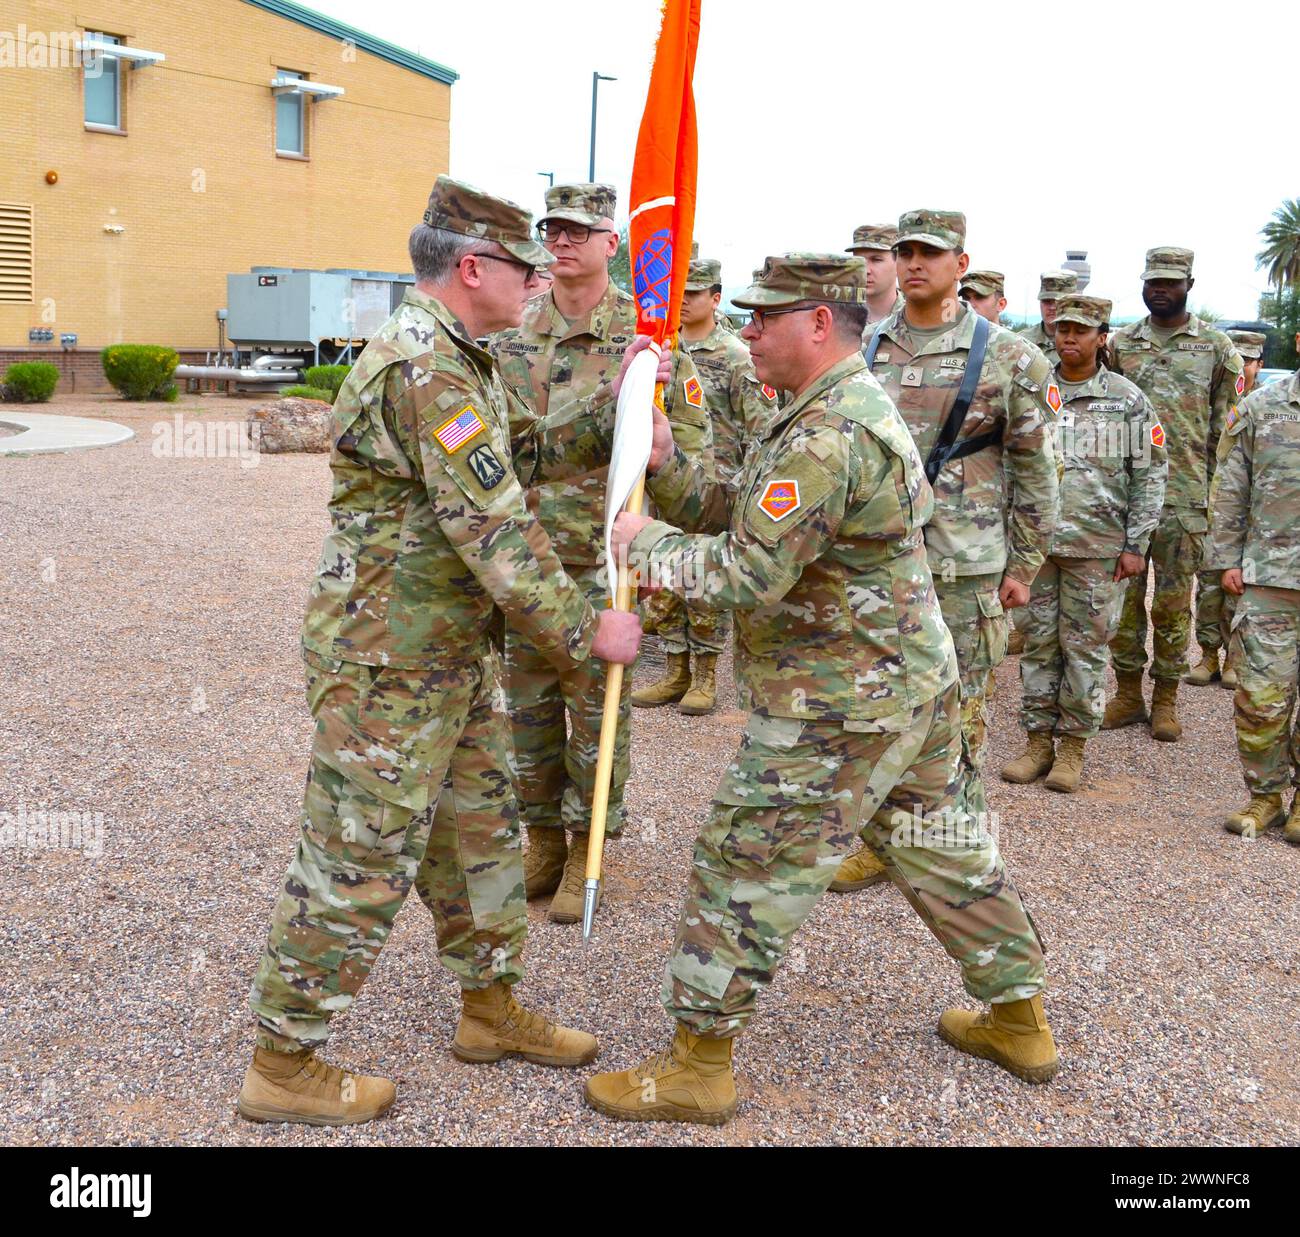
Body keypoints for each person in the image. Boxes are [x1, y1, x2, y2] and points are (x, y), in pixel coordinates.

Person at [583, 255, 1057, 1125]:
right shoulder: (823, 409)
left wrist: (640, 544)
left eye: (766, 316)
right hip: (900, 685)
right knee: (942, 845)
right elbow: (752, 508)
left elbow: (748, 572)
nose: (748, 329)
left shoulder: (828, 431)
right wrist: (668, 462)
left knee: (743, 863)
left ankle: (697, 1064)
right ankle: (1019, 1019)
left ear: (818, 324)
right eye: (749, 314)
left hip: (839, 702)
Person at [238, 177, 645, 1126]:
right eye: (523, 265)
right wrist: (590, 629)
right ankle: (282, 1061)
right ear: (474, 267)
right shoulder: (428, 368)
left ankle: (490, 1008)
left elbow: (522, 456)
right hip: (389, 662)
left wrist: (626, 417)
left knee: (479, 835)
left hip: (444, 654)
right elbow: (497, 531)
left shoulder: (465, 355)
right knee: (359, 856)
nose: (539, 279)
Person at [489, 183, 712, 923]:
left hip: (605, 553)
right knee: (526, 705)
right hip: (528, 552)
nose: (562, 241)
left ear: (612, 243)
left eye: (580, 231)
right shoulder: (515, 334)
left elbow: (686, 457)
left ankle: (590, 843)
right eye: (552, 228)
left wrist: (659, 559)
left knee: (596, 709)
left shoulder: (649, 339)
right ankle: (542, 838)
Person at [832, 209, 1059, 893]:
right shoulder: (866, 347)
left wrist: (1024, 566)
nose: (912, 264)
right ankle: (886, 844)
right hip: (876, 565)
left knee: (959, 720)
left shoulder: (1011, 356)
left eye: (929, 252)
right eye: (904, 251)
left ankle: (963, 865)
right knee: (875, 709)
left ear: (961, 263)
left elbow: (1038, 471)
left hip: (964, 569)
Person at [1002, 296, 1166, 792]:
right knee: (1037, 645)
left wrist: (1136, 543)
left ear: (1102, 337)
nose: (1068, 337)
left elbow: (1151, 471)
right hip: (1036, 547)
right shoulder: (1031, 389)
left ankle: (1072, 747)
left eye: (1081, 330)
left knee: (1086, 649)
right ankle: (1037, 742)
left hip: (1097, 549)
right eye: (1062, 328)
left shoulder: (1126, 399)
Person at [1102, 248, 1244, 742]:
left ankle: (1165, 699)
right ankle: (1126, 694)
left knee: (1171, 605)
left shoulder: (1216, 348)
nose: (1159, 289)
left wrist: (1213, 496)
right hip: (1122, 499)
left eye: (1170, 282)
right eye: (1152, 281)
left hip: (1184, 499)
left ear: (1189, 284)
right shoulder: (1121, 344)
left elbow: (1225, 432)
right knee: (1123, 604)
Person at [634, 256, 776, 715]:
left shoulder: (735, 355)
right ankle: (673, 669)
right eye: (680, 293)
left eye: (693, 294)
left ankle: (705, 676)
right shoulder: (663, 349)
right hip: (666, 480)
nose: (684, 303)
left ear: (715, 298)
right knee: (665, 581)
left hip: (716, 489)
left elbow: (762, 427)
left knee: (703, 580)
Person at [1208, 342, 1300, 842]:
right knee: (1260, 698)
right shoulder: (1262, 407)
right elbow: (1231, 485)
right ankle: (1264, 797)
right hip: (1269, 577)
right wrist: (1225, 556)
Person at [1188, 329, 1267, 689]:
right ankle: (1208, 655)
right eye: (1239, 359)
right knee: (1207, 585)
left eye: (1249, 361)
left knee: (1239, 587)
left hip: (1249, 513)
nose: (1243, 367)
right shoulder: (1215, 402)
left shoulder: (1267, 406)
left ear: (1259, 365)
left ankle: (1235, 659)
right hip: (1210, 504)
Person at [846, 223, 903, 324]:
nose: (865, 270)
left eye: (876, 260)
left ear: (898, 263)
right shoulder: (839, 317)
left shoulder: (918, 316)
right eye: (859, 260)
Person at [1020, 271, 1078, 368]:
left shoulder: (1085, 343)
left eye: (1058, 302)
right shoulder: (1022, 341)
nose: (1052, 307)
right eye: (1046, 301)